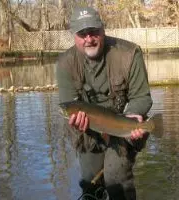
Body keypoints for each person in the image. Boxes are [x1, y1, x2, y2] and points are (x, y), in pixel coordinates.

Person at [56, 6, 152, 200]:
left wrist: (135, 113)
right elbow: (68, 104)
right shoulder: (65, 63)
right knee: (90, 183)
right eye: (82, 34)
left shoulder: (129, 53)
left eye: (93, 32)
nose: (89, 39)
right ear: (74, 35)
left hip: (123, 128)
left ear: (103, 29)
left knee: (116, 177)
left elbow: (142, 96)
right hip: (89, 131)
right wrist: (76, 123)